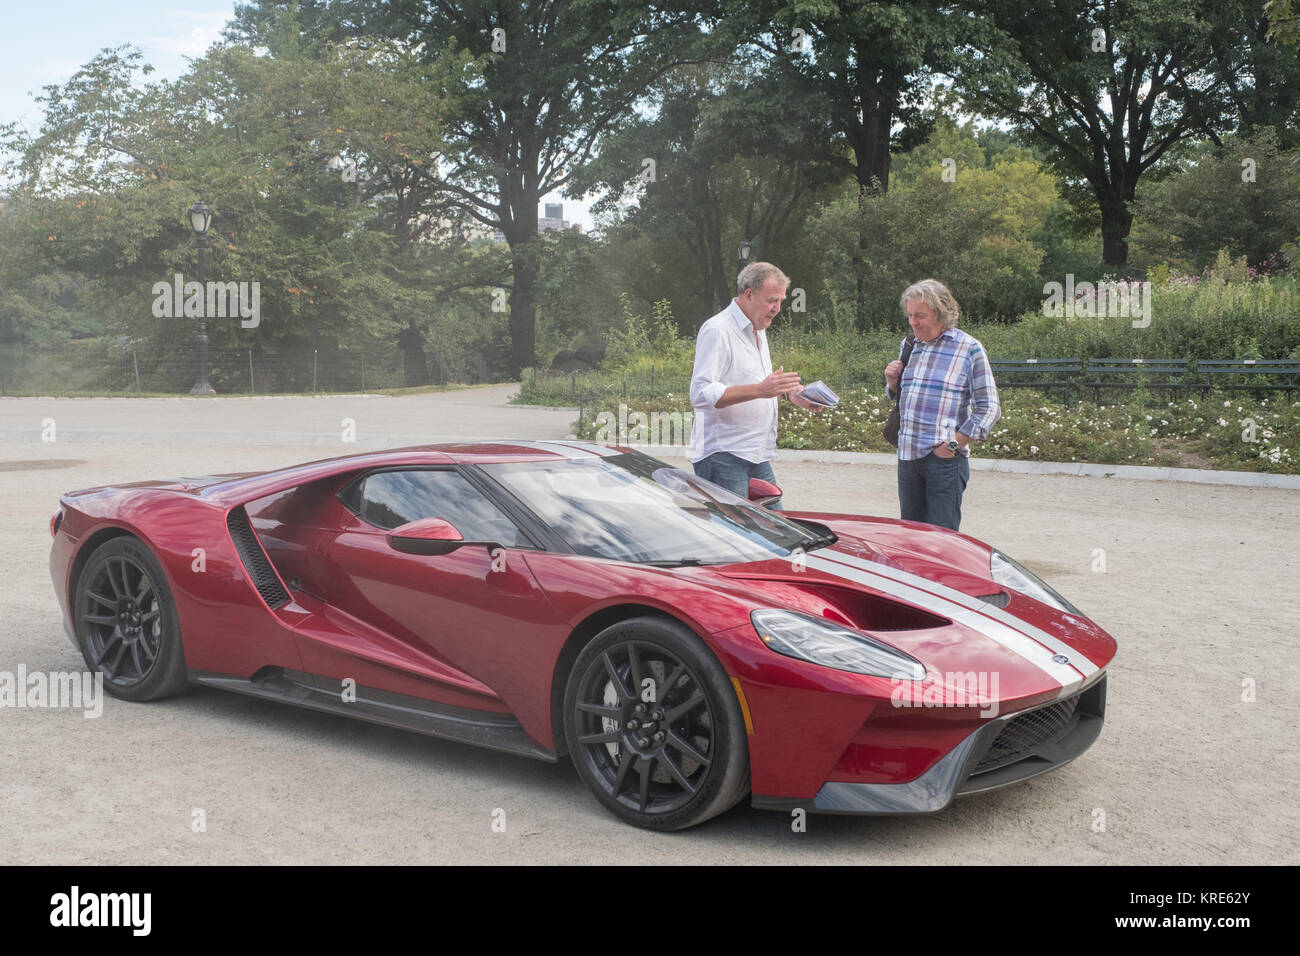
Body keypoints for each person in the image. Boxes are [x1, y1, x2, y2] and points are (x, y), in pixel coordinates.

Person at [689, 262, 821, 505]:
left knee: (777, 530)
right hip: (723, 455)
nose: (777, 308)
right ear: (748, 294)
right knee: (738, 538)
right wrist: (760, 390)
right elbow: (699, 393)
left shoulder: (758, 328)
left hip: (754, 452)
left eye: (781, 300)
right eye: (772, 300)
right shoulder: (718, 330)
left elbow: (756, 384)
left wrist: (789, 394)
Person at [884, 279, 1000, 531]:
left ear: (941, 313)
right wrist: (893, 383)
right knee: (911, 539)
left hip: (944, 461)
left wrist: (953, 444)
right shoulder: (910, 344)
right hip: (907, 457)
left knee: (942, 541)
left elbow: (989, 408)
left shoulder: (969, 349)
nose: (913, 322)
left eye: (920, 316)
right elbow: (900, 396)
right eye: (910, 315)